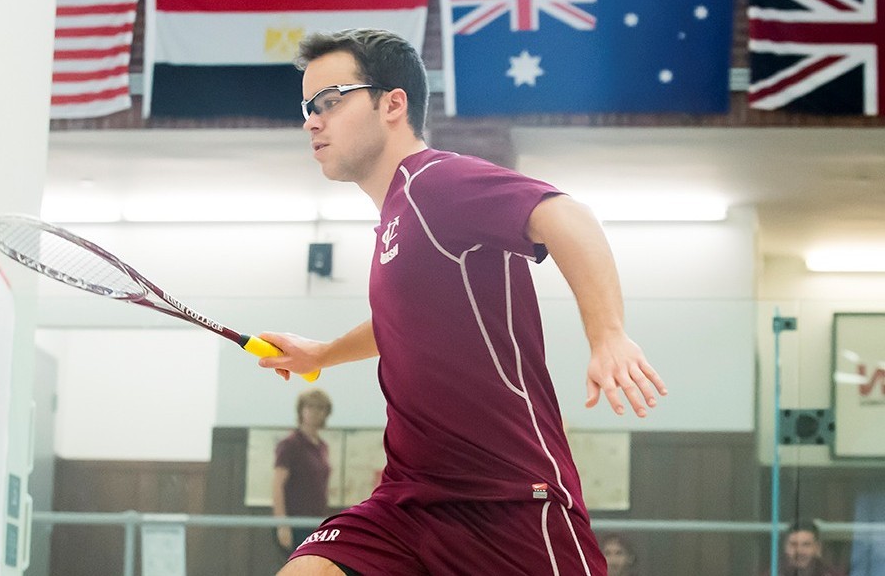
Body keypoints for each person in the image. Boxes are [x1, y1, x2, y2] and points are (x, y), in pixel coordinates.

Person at [258, 28, 668, 575]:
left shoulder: (436, 182)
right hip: (409, 502)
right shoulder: (396, 222)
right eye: (308, 107)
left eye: (330, 101)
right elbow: (403, 321)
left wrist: (608, 333)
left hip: (507, 504)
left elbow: (567, 216)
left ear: (393, 104)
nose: (312, 120)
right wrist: (322, 354)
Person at [272, 387, 334, 553]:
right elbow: (277, 485)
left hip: (316, 522)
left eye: (320, 408)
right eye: (310, 407)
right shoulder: (290, 444)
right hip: (295, 523)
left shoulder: (322, 447)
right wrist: (282, 524)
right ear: (301, 410)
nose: (314, 412)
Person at [765, 521, 845, 576]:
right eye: (793, 544)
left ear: (817, 548)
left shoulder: (832, 574)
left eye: (806, 545)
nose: (799, 551)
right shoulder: (774, 573)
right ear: (786, 547)